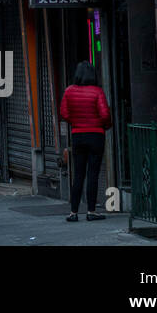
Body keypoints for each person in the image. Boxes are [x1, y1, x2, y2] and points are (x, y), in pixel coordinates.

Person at [59, 61, 112, 222]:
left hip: (78, 136)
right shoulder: (97, 92)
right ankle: (91, 211)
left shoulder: (69, 91)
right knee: (92, 174)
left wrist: (75, 122)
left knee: (79, 174)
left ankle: (73, 212)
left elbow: (64, 113)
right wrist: (106, 126)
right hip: (96, 135)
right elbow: (104, 114)